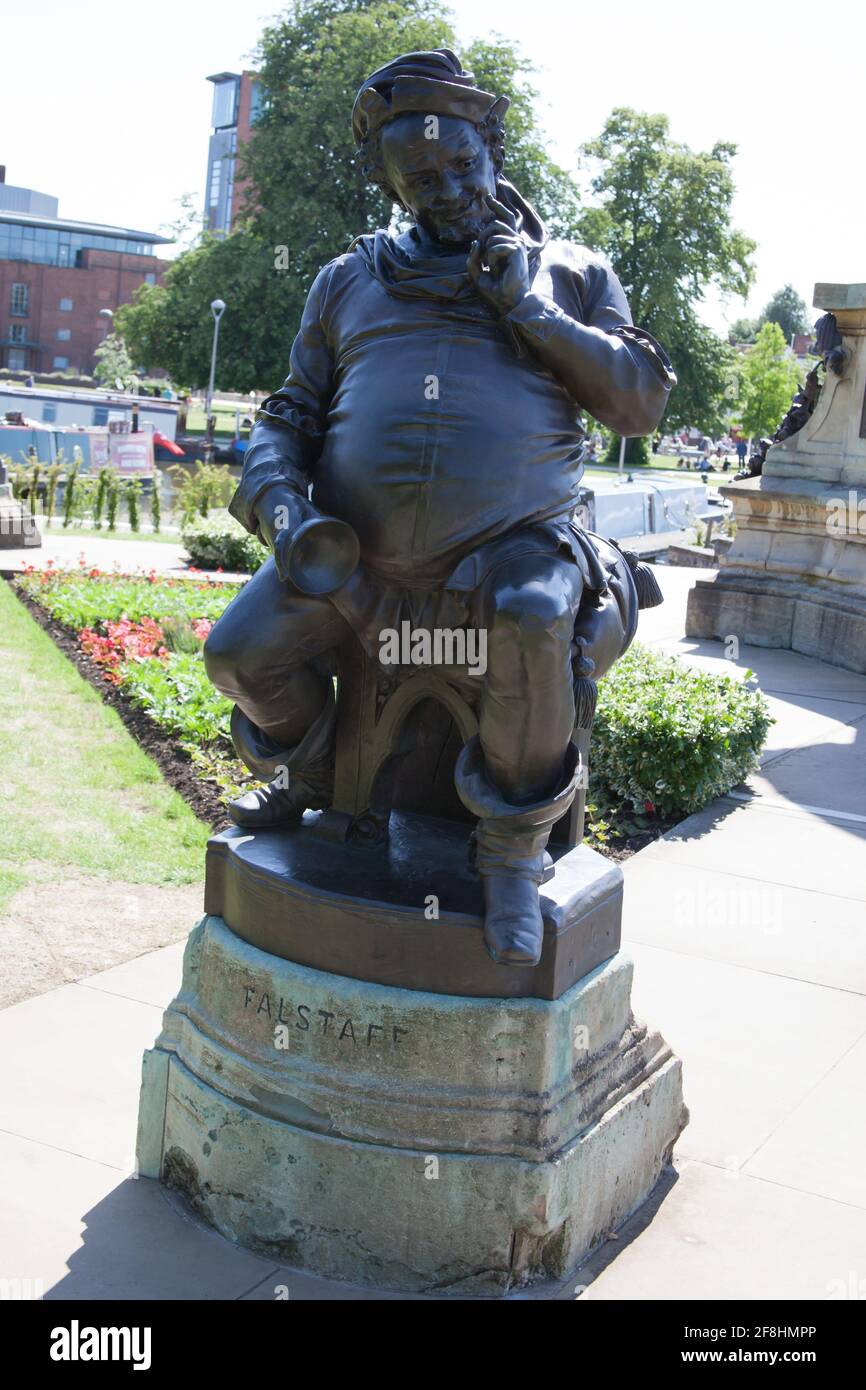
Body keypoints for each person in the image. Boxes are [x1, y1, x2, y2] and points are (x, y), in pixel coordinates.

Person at [204, 49, 675, 965]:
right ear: (392, 183)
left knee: (534, 616)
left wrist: (531, 311)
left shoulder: (569, 271)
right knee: (238, 656)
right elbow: (287, 417)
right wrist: (283, 513)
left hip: (511, 546)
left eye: (464, 165)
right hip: (350, 556)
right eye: (421, 176)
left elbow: (637, 405)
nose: (449, 187)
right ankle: (311, 777)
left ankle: (508, 854)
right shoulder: (347, 279)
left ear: (494, 150)